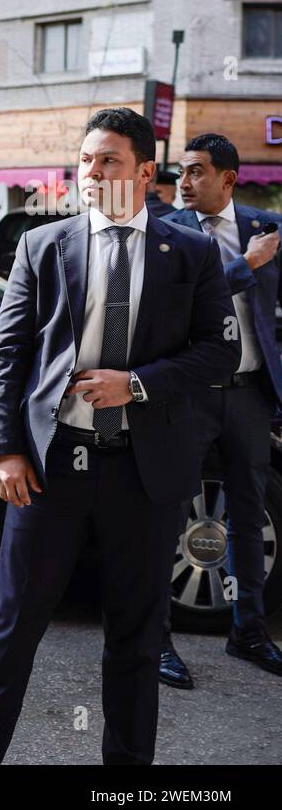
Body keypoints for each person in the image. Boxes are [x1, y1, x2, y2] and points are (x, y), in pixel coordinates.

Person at [0, 108, 239, 764]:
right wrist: (4, 446)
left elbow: (217, 353)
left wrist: (137, 384)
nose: (91, 172)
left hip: (141, 474)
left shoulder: (192, 252)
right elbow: (8, 353)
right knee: (12, 630)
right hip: (51, 466)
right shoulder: (44, 244)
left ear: (145, 172)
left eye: (108, 160)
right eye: (85, 160)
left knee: (137, 642)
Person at [159, 133, 282, 685]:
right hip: (190, 395)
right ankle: (155, 639)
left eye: (195, 172)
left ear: (228, 180)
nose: (183, 183)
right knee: (165, 513)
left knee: (249, 516)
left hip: (250, 394)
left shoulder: (266, 228)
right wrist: (244, 267)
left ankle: (249, 632)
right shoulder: (166, 230)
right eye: (181, 172)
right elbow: (175, 301)